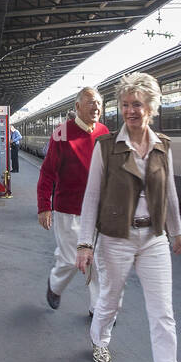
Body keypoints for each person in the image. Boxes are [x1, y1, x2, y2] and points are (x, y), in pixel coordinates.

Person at [75, 71, 181, 362]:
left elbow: (170, 193)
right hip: (116, 237)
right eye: (126, 104)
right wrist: (85, 243)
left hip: (153, 237)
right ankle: (100, 340)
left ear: (151, 108)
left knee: (163, 311)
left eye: (137, 104)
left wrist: (177, 231)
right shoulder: (106, 148)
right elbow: (91, 198)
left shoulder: (163, 146)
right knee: (111, 300)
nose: (131, 110)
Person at [38, 86, 107, 312]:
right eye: (90, 102)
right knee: (70, 259)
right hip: (69, 210)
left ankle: (97, 309)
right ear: (77, 107)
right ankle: (55, 286)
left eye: (98, 102)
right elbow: (48, 172)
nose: (95, 106)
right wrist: (44, 206)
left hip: (97, 211)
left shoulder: (104, 132)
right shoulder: (62, 132)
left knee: (96, 263)